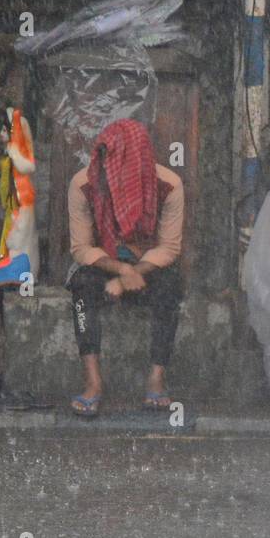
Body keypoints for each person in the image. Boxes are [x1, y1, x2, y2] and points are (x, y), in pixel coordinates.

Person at [66, 119, 184, 416]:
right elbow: (81, 248)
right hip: (105, 266)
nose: (111, 170)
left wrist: (134, 272)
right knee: (81, 288)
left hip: (148, 267)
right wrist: (120, 270)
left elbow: (169, 248)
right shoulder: (84, 184)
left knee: (171, 287)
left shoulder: (169, 185)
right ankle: (93, 381)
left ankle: (157, 378)